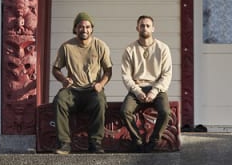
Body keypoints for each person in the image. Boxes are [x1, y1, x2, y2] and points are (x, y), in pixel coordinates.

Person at [52, 12, 112, 154]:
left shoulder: (100, 45)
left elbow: (108, 71)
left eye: (87, 27)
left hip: (92, 89)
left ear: (91, 29)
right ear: (75, 29)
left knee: (100, 101)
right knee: (60, 100)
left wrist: (101, 84)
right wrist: (63, 80)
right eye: (80, 27)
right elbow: (55, 69)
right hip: (73, 90)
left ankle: (95, 143)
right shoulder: (66, 47)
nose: (84, 30)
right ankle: (64, 144)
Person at [120, 14, 173, 151]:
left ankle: (154, 141)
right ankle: (137, 141)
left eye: (148, 25)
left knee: (165, 111)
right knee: (125, 111)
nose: (145, 28)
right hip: (137, 87)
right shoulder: (129, 50)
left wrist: (154, 91)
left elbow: (166, 74)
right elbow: (126, 76)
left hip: (157, 87)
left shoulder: (163, 48)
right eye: (142, 25)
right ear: (137, 28)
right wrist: (137, 91)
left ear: (153, 28)